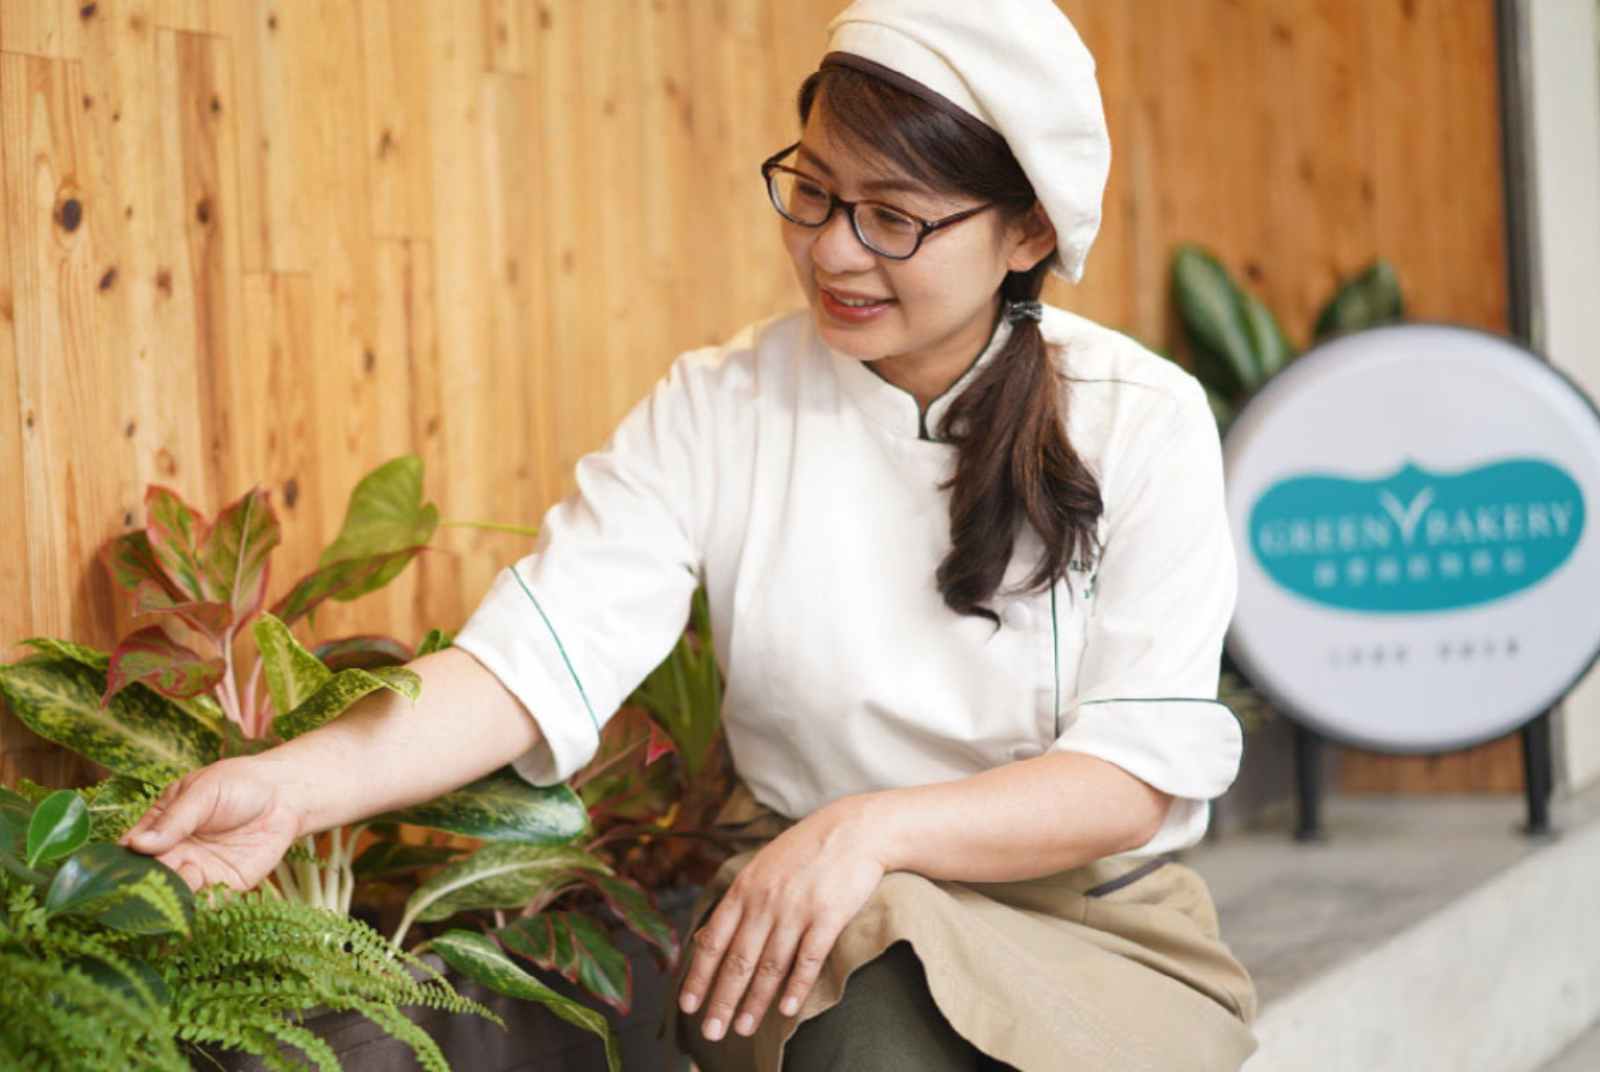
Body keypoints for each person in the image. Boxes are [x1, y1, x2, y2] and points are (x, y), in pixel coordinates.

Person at [122, 1, 1259, 1068]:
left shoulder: (1136, 415)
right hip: (822, 925)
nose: (831, 251)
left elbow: (1130, 777)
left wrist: (868, 828)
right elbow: (533, 659)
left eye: (892, 218)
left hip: (1094, 925)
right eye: (811, 191)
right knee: (868, 1037)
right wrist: (289, 787)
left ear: (1025, 232)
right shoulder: (722, 406)